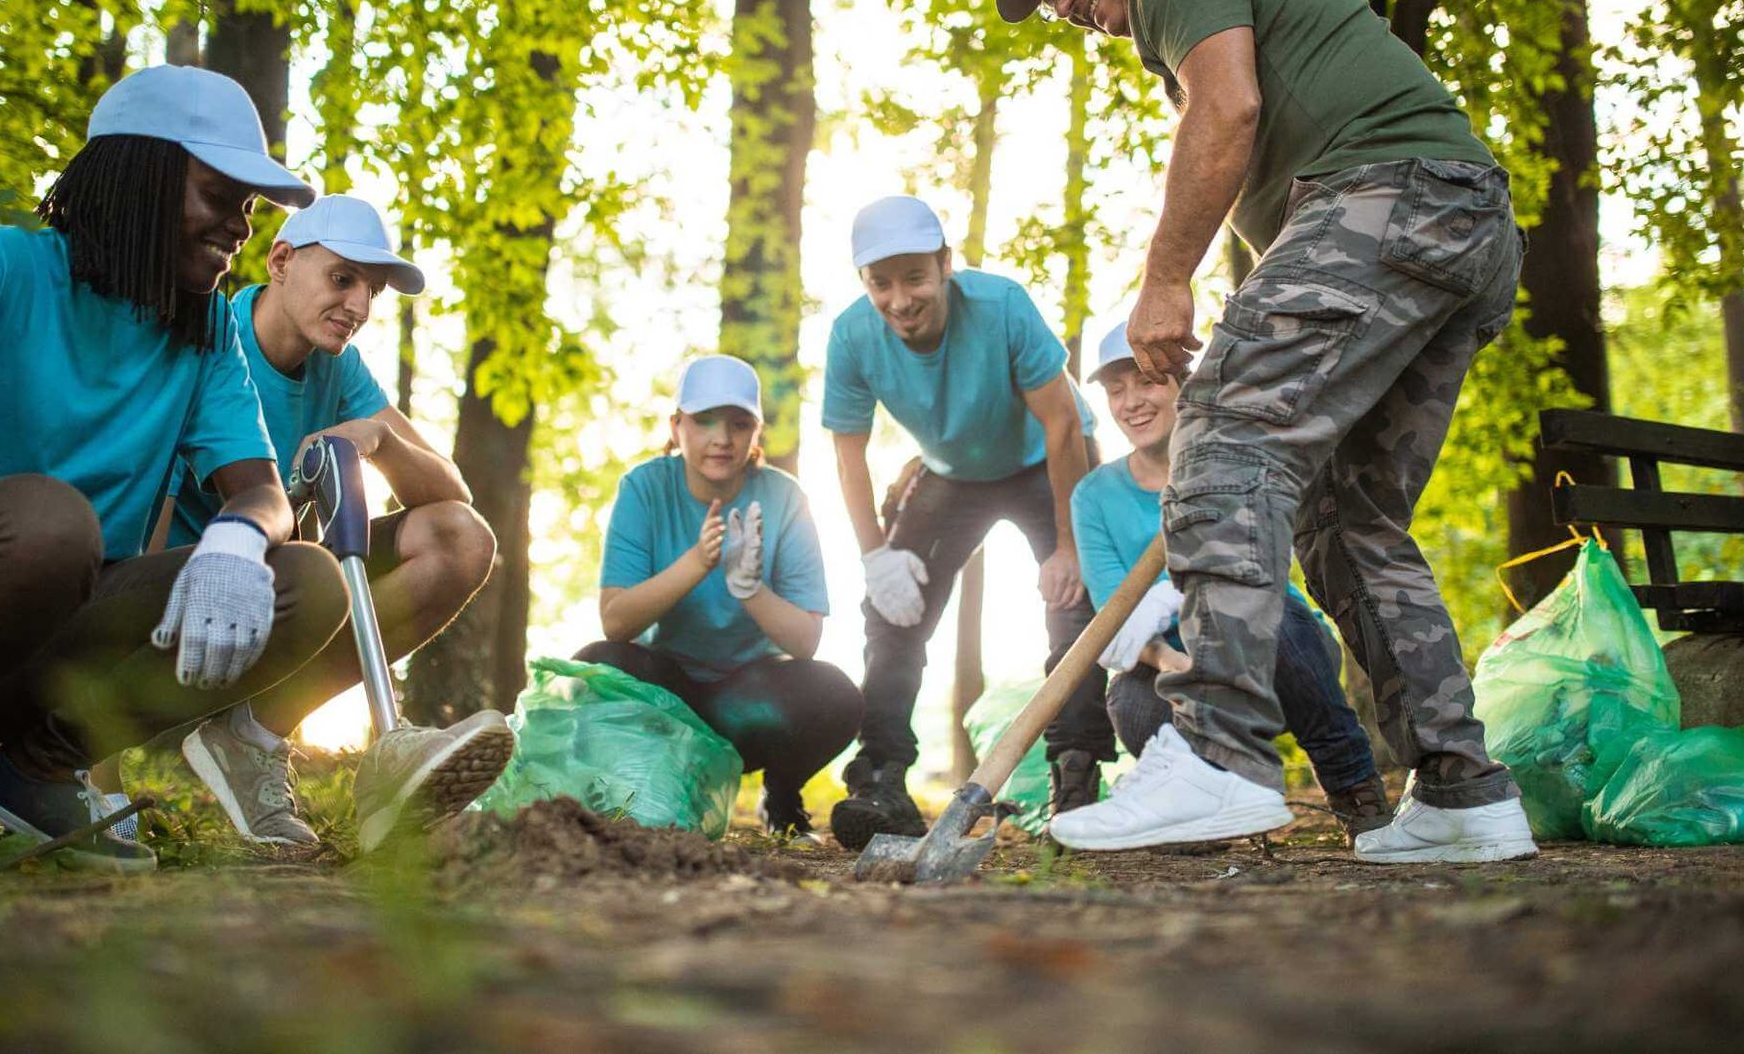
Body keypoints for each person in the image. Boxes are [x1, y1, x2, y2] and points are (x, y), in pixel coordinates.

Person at [999, 0, 1536, 862]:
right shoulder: (1198, 17)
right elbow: (1274, 179)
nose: (1062, 3)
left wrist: (1166, 281)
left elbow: (1229, 106)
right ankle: (1464, 792)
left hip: (1395, 196)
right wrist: (1280, 324)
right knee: (1347, 521)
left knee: (1222, 438)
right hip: (1452, 227)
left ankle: (1217, 753)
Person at [0, 64, 349, 874]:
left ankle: (41, 769)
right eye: (222, 198)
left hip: (38, 645)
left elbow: (259, 490)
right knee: (52, 522)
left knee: (309, 583)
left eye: (249, 210)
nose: (240, 229)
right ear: (139, 177)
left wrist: (235, 543)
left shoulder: (206, 333)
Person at [108, 194, 511, 853]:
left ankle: (253, 738)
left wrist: (375, 435)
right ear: (281, 261)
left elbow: (453, 492)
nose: (359, 306)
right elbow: (139, 518)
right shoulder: (206, 339)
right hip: (185, 611)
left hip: (290, 595)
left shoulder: (338, 366)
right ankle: (94, 762)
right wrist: (98, 762)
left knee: (459, 537)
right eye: (343, 279)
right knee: (308, 568)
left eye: (372, 291)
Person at [822, 195, 1109, 851]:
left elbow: (1062, 421)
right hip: (953, 471)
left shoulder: (1001, 306)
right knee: (893, 607)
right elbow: (848, 453)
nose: (899, 299)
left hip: (1046, 458)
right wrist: (875, 557)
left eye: (915, 277)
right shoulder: (852, 337)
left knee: (1073, 600)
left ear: (945, 265)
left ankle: (1076, 775)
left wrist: (1067, 546)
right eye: (880, 283)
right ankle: (882, 779)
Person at [1051, 321, 1390, 849]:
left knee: (1281, 628)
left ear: (1186, 385)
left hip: (1268, 641)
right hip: (1170, 658)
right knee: (1134, 704)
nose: (1130, 402)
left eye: (1146, 382)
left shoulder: (1232, 465)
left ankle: (1354, 789)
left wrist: (1163, 605)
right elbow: (1115, 622)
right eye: (1116, 390)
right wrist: (1171, 661)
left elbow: (1253, 577)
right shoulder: (1093, 497)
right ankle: (1197, 807)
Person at [577, 355, 859, 842]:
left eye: (738, 422)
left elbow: (806, 641)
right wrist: (695, 565)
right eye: (704, 420)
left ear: (756, 432)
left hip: (748, 705)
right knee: (596, 668)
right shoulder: (643, 488)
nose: (721, 438)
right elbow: (615, 623)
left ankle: (783, 795)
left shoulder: (785, 497)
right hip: (668, 695)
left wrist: (749, 589)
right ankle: (645, 795)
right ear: (677, 426)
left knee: (836, 694)